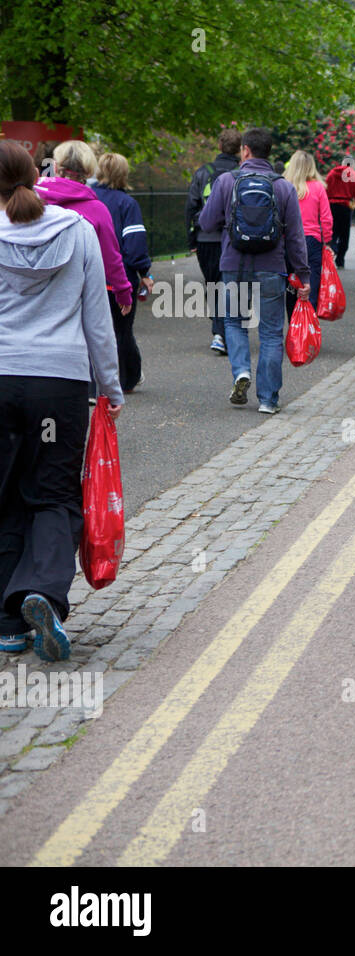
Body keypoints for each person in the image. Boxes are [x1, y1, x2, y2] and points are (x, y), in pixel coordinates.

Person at [0, 141, 123, 661]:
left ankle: (8, 625)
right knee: (54, 494)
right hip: (61, 383)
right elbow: (98, 318)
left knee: (5, 494)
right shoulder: (77, 231)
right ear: (38, 172)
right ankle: (43, 592)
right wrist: (110, 388)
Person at [197, 126, 311, 414]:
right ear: (269, 152)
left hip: (233, 266)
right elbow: (296, 237)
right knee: (271, 333)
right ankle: (268, 400)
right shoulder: (283, 186)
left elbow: (207, 223)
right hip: (272, 268)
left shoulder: (226, 181)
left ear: (245, 150)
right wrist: (304, 276)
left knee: (234, 322)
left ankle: (241, 372)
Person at [34, 141, 134, 320]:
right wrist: (123, 291)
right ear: (89, 172)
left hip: (29, 293)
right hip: (74, 298)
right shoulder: (97, 210)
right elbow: (110, 257)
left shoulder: (30, 199)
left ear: (55, 166)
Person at [91, 153, 152, 395]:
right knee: (122, 331)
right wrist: (144, 272)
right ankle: (127, 379)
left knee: (92, 330)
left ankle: (93, 380)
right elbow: (134, 244)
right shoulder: (127, 204)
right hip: (119, 278)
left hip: (90, 276)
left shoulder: (89, 198)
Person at [188, 128, 242, 355]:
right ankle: (225, 330)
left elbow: (191, 206)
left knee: (213, 283)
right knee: (231, 284)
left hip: (206, 238)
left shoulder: (203, 172)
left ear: (219, 146)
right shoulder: (241, 173)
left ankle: (219, 330)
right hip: (234, 237)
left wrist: (191, 237)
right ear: (241, 149)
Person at [283, 150, 332, 316]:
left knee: (291, 285)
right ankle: (307, 330)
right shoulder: (318, 188)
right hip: (312, 240)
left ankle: (293, 326)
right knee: (310, 284)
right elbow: (326, 218)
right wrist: (327, 240)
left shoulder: (285, 187)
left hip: (289, 240)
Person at [324, 154, 355, 269]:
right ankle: (340, 260)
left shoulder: (332, 174)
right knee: (345, 234)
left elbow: (325, 189)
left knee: (333, 231)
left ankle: (333, 249)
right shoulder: (354, 176)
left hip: (332, 205)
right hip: (346, 207)